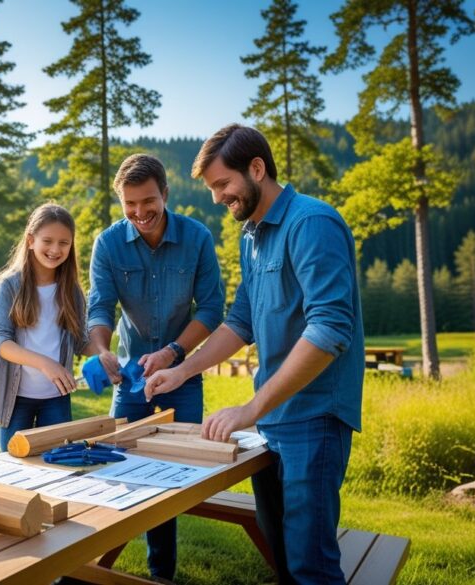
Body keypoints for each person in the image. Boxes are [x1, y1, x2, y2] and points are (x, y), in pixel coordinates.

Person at [146, 124, 364, 585]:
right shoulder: (252, 236)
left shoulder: (312, 223)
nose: (216, 198)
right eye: (211, 188)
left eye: (222, 184)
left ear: (257, 168)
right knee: (282, 557)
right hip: (274, 425)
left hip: (315, 419)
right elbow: (239, 322)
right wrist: (182, 371)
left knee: (312, 566)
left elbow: (330, 328)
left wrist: (250, 407)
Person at [87, 153, 225, 582]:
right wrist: (102, 350)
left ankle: (160, 573)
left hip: (182, 378)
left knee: (174, 478)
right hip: (129, 380)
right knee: (113, 471)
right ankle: (93, 567)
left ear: (165, 194)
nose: (140, 213)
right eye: (130, 205)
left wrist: (172, 353)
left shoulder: (197, 237)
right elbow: (99, 306)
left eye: (149, 202)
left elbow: (214, 309)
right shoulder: (108, 243)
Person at [0, 203, 93, 452]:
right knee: (15, 469)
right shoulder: (10, 286)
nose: (55, 249)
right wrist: (46, 364)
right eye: (48, 240)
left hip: (56, 399)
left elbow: (80, 342)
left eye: (64, 243)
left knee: (58, 468)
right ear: (31, 240)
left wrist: (103, 354)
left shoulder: (72, 292)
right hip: (15, 400)